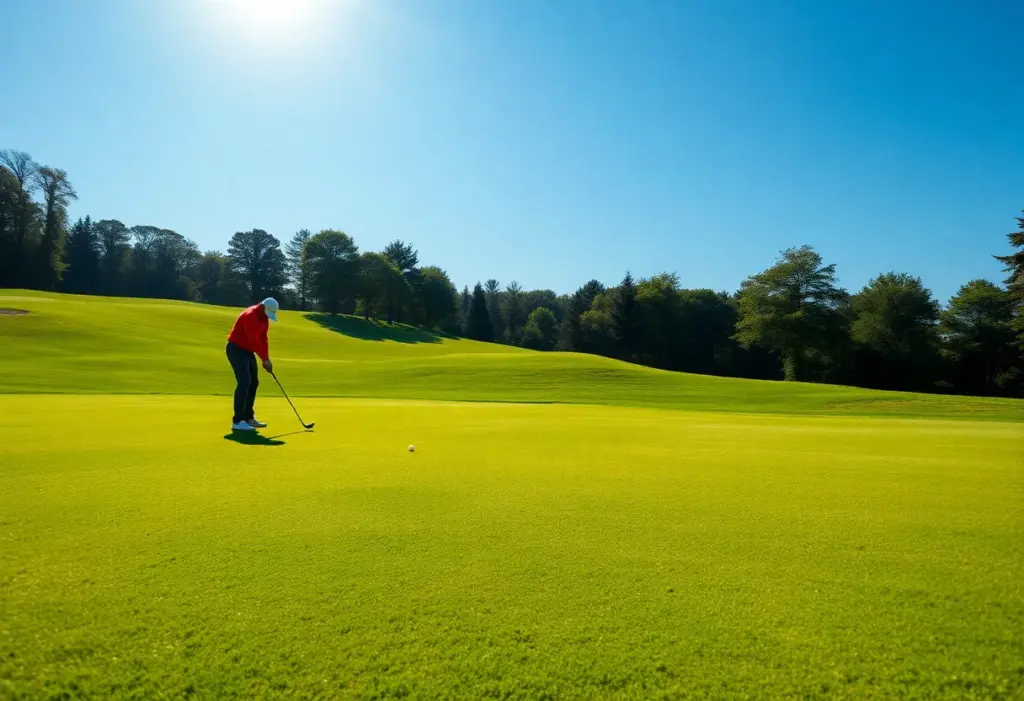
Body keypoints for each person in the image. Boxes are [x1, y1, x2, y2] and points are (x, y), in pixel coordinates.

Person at [226, 297, 279, 431]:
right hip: (236, 349)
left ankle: (248, 417)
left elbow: (263, 339)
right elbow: (253, 340)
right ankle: (237, 421)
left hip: (247, 351)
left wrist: (266, 358)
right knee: (244, 382)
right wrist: (264, 360)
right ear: (262, 307)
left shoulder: (263, 318)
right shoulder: (249, 316)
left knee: (254, 382)